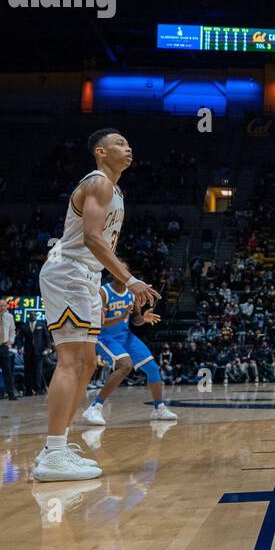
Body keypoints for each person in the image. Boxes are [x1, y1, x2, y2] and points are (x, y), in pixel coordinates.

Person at [34, 128, 160, 482]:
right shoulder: (99, 182)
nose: (128, 146)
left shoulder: (115, 190)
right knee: (72, 360)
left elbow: (101, 244)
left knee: (88, 361)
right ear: (100, 153)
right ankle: (53, 454)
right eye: (120, 143)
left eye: (129, 142)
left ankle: (55, 448)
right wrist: (130, 280)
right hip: (70, 272)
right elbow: (90, 238)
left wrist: (126, 277)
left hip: (85, 276)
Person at [81, 278, 177, 427]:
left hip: (125, 335)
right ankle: (94, 407)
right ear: (114, 273)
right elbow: (98, 322)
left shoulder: (132, 294)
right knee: (125, 366)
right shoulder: (103, 292)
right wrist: (120, 317)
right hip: (105, 337)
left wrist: (143, 319)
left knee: (152, 368)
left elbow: (135, 320)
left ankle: (159, 407)